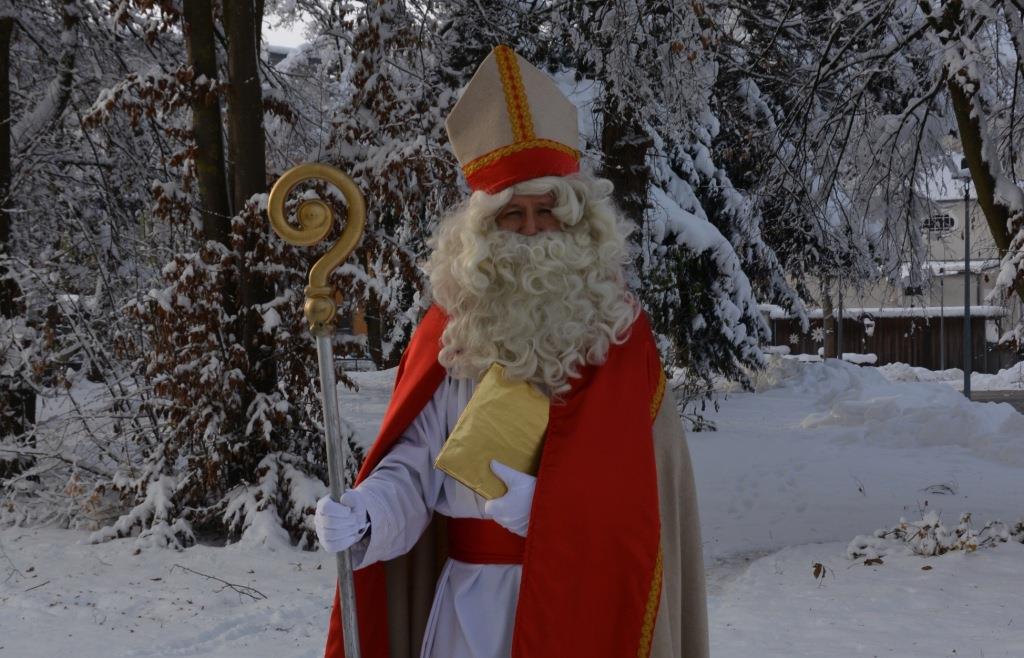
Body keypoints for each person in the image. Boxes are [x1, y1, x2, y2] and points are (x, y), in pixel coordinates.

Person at [314, 45, 708, 658]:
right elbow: (416, 466)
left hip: (583, 606)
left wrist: (552, 510)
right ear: (480, 231)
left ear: (577, 222)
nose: (528, 230)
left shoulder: (620, 335)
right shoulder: (450, 333)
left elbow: (646, 497)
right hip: (465, 612)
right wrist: (370, 512)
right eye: (510, 215)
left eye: (545, 211)